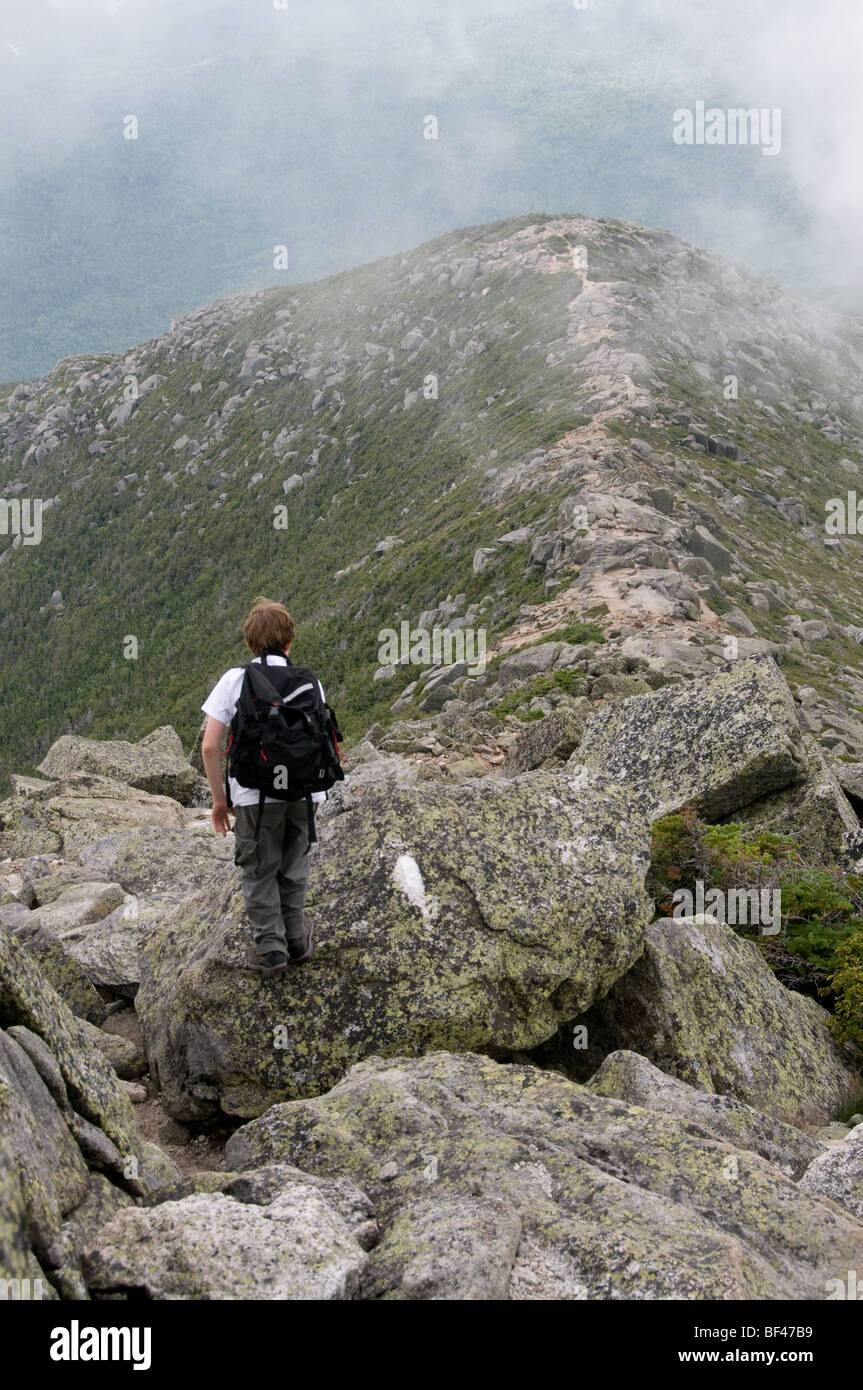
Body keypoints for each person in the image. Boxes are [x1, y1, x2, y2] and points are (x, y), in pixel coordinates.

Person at [200, 597, 328, 976]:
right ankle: (297, 940)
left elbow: (210, 746)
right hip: (305, 793)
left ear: (250, 643)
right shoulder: (310, 681)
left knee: (259, 867)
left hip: (255, 795)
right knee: (294, 863)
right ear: (290, 641)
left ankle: (270, 950)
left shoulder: (235, 680)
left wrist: (220, 801)